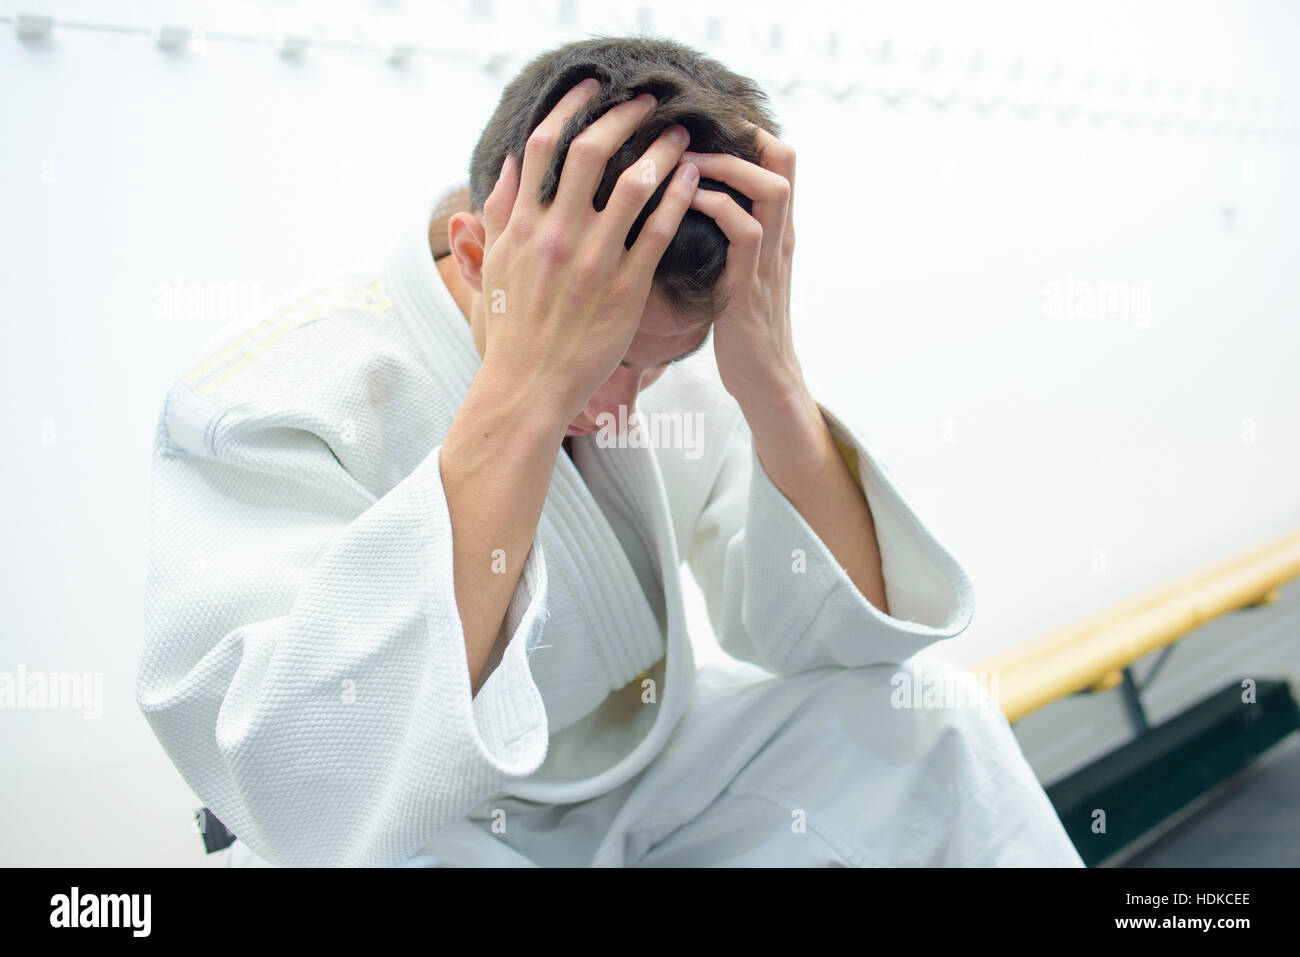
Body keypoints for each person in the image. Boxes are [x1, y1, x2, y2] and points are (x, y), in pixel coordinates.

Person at [137, 36, 1084, 867]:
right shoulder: (268, 400)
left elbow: (831, 641)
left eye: (668, 362)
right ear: (478, 257)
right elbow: (293, 772)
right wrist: (529, 386)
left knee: (933, 724)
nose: (623, 403)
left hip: (649, 781)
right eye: (614, 359)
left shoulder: (655, 354)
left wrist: (772, 380)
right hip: (427, 828)